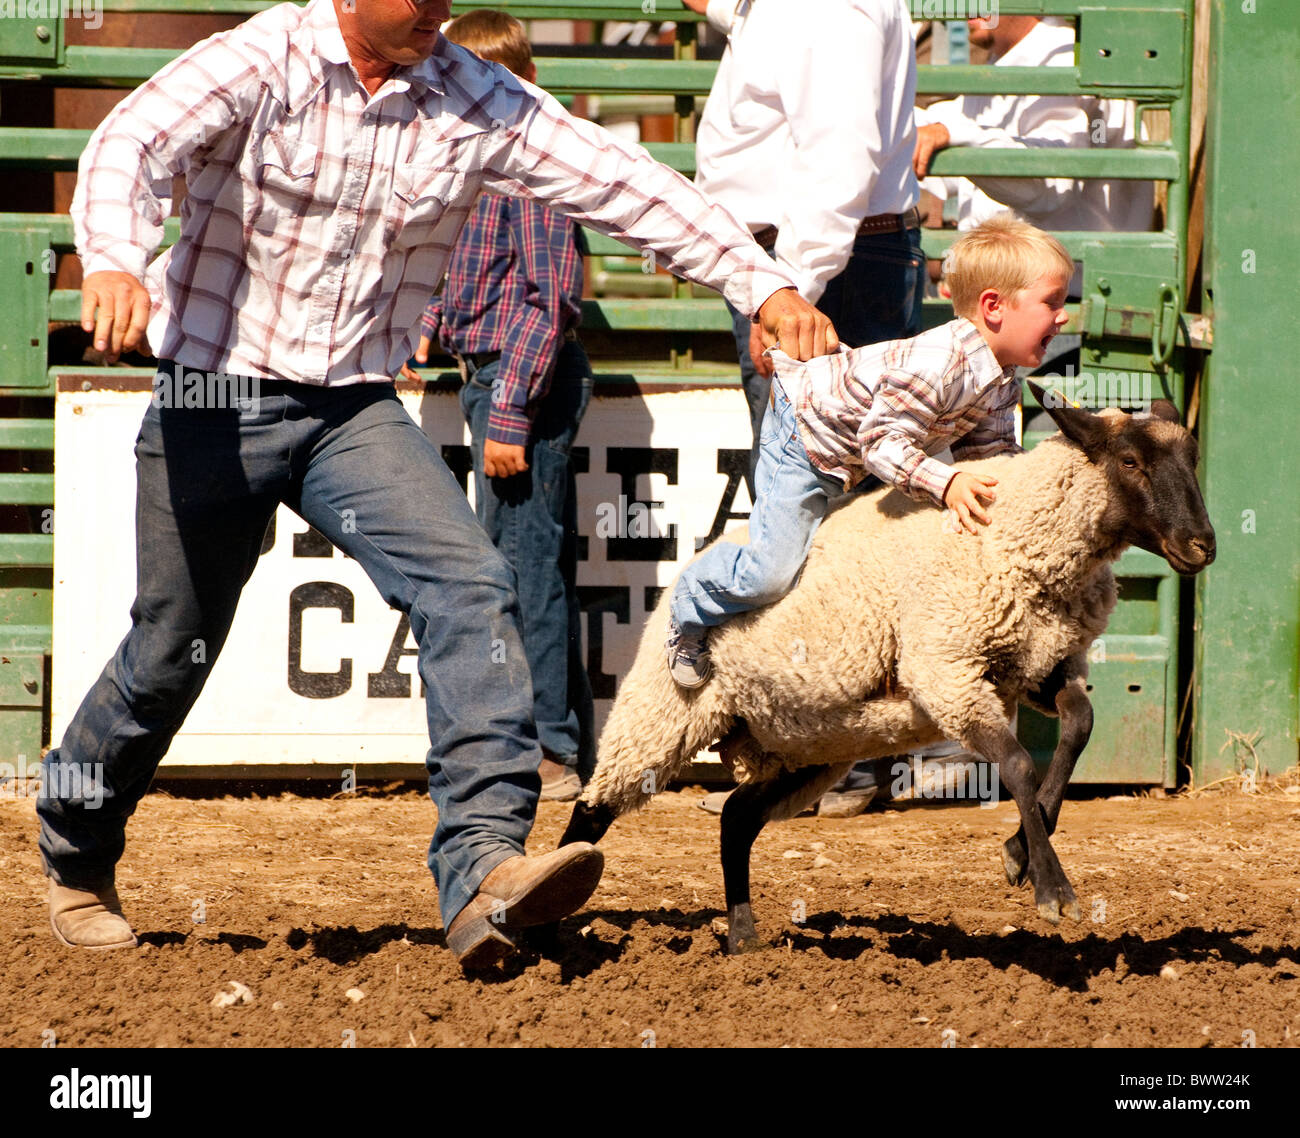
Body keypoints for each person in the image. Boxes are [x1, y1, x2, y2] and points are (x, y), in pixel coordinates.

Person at [44, 0, 837, 969]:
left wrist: (762, 285)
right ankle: (76, 844)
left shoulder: (475, 96)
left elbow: (627, 184)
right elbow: (133, 140)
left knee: (470, 582)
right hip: (215, 391)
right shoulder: (269, 57)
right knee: (172, 643)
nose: (436, 10)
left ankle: (483, 876)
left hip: (348, 407)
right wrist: (117, 258)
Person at [667, 215, 1073, 691]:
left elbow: (993, 457)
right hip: (805, 437)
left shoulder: (1000, 378)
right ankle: (690, 603)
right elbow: (881, 445)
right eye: (1051, 303)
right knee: (771, 574)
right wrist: (946, 482)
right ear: (994, 308)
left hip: (851, 460)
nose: (1063, 317)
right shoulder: (938, 365)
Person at [404, 10, 593, 803]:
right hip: (497, 376)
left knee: (522, 570)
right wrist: (428, 323)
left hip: (523, 384)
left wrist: (508, 412)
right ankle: (549, 736)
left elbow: (546, 303)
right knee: (516, 563)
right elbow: (465, 273)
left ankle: (551, 749)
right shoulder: (479, 167)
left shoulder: (529, 170)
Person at [683, 0, 925, 488]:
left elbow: (838, 158)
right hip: (827, 260)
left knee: (805, 496)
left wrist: (787, 290)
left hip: (819, 268)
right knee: (820, 489)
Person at [913, 15, 1153, 278]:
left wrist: (951, 135)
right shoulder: (1004, 60)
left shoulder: (1065, 57)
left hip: (1070, 293)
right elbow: (959, 156)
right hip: (1025, 290)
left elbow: (1051, 185)